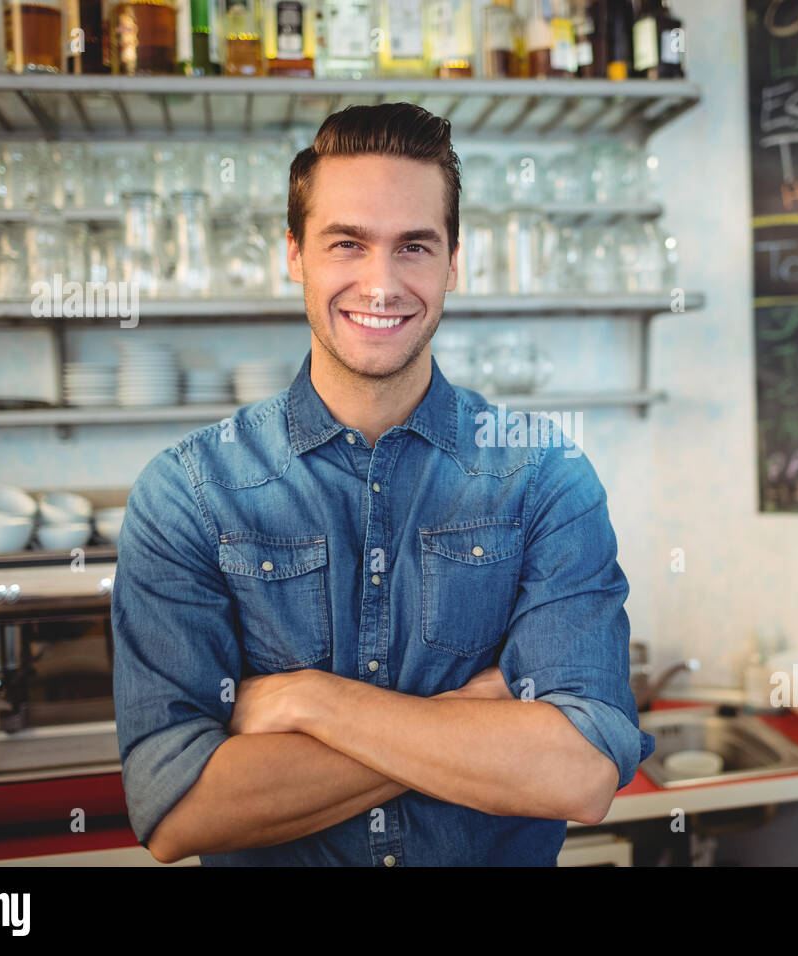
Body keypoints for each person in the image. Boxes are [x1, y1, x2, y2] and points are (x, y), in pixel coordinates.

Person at [111, 102, 653, 866]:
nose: (381, 282)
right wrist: (466, 718)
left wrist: (310, 702)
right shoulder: (189, 492)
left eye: (415, 247)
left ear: (453, 262)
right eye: (348, 244)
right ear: (294, 254)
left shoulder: (543, 476)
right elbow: (178, 811)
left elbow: (581, 772)